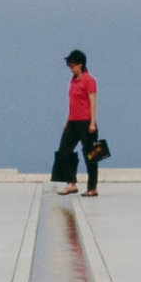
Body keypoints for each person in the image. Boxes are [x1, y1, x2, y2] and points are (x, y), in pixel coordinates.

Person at [52, 48, 100, 193]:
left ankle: (92, 188)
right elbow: (72, 102)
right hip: (73, 122)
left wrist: (92, 122)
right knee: (64, 152)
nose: (71, 69)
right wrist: (67, 120)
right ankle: (71, 183)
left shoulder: (89, 80)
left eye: (72, 66)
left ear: (80, 64)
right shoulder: (73, 81)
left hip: (86, 122)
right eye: (69, 67)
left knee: (91, 155)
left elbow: (92, 102)